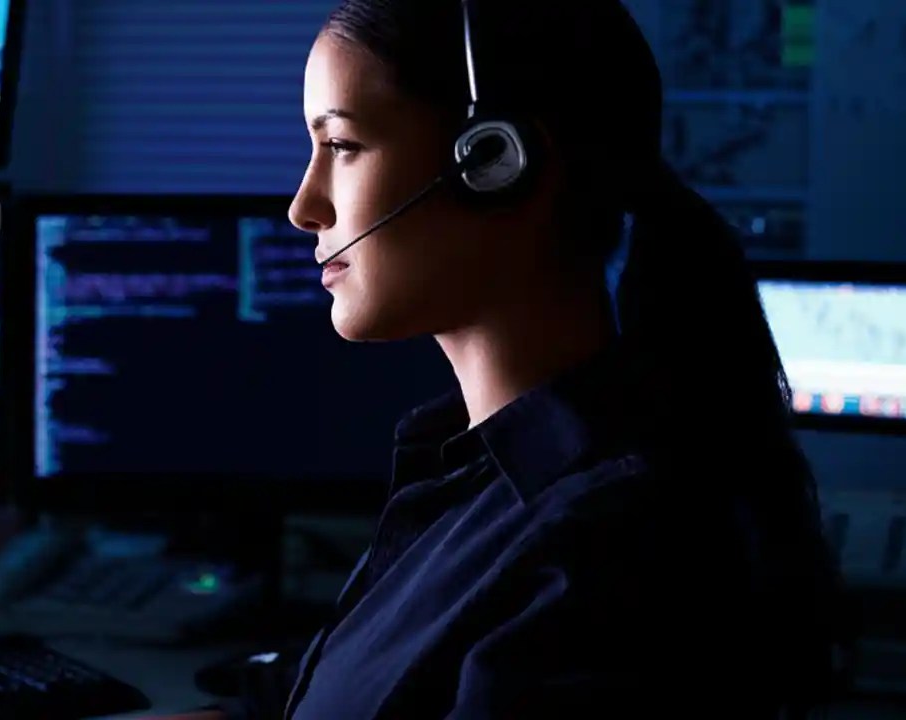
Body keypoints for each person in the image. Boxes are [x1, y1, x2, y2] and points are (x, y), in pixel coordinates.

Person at [284, 0, 854, 718]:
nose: (304, 206)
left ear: (494, 161)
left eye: (342, 147)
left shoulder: (607, 554)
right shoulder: (468, 481)